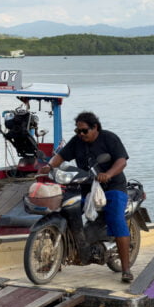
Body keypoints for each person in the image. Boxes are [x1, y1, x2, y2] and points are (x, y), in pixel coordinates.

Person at [48, 111, 133, 281]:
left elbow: (121, 161)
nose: (81, 134)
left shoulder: (109, 138)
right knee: (65, 212)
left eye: (84, 131)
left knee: (116, 220)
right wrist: (49, 166)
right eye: (78, 131)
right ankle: (55, 260)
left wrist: (108, 174)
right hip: (87, 188)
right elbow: (61, 156)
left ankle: (126, 269)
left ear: (95, 128)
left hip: (113, 187)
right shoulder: (77, 141)